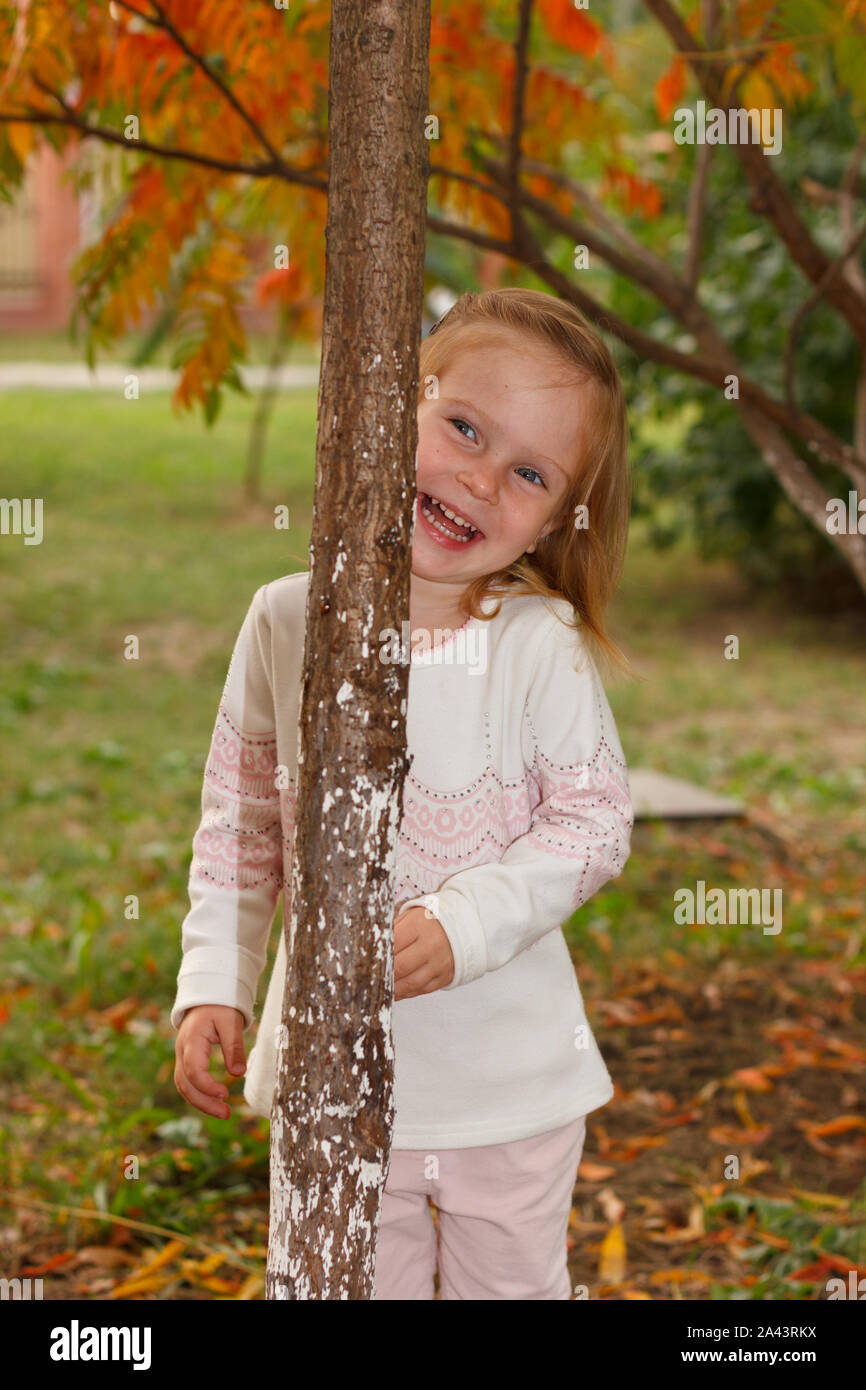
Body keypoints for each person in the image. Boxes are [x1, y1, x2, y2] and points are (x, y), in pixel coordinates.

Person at [171, 286, 634, 1300]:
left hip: (506, 1094)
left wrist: (462, 922)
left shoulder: (536, 646)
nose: (476, 476)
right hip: (330, 1083)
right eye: (461, 425)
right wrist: (216, 977)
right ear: (388, 405)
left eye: (526, 473)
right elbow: (242, 823)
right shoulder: (285, 620)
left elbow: (592, 824)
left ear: (557, 518)